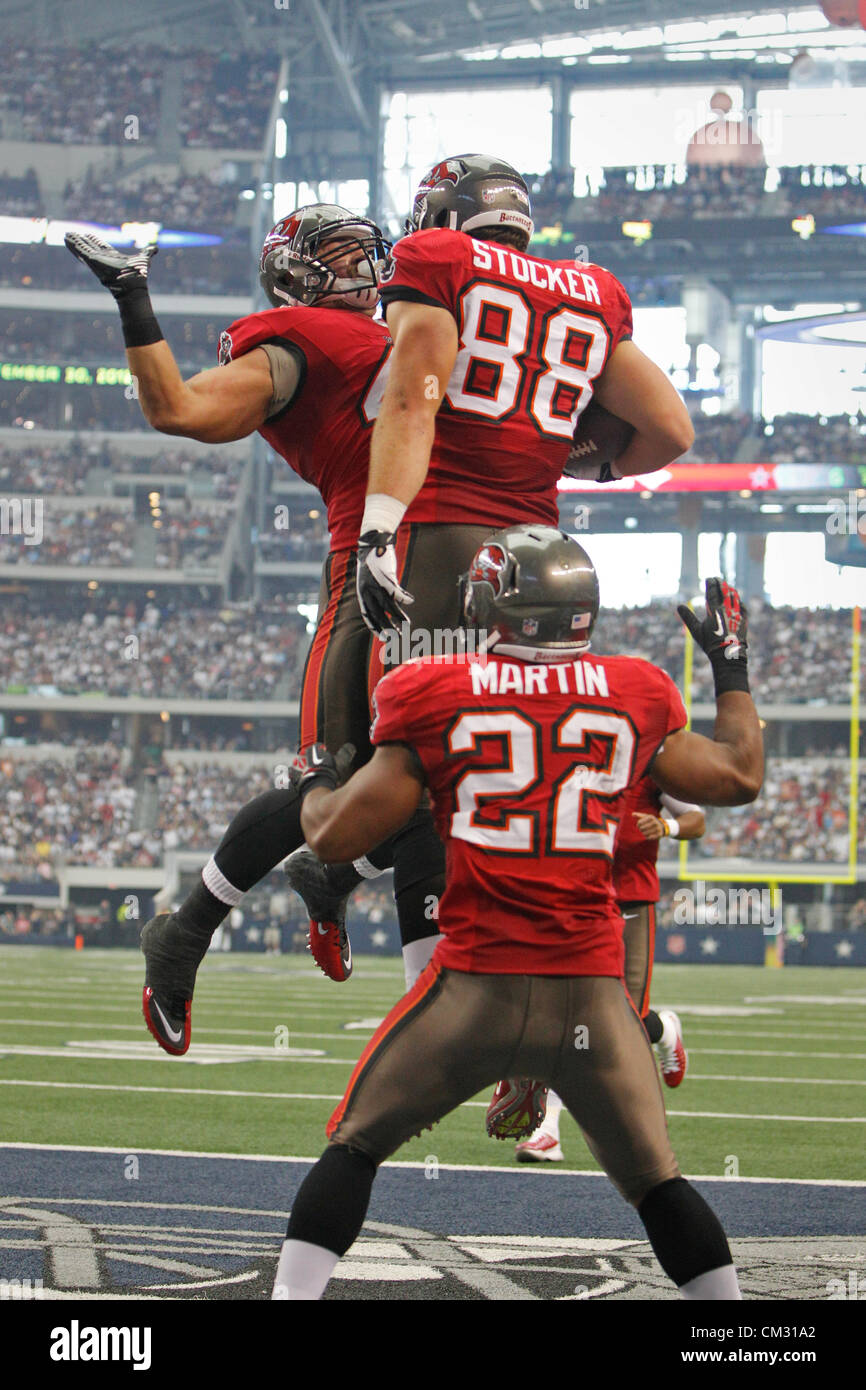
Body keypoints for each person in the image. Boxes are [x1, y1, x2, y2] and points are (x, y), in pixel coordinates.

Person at [271, 529, 762, 1301]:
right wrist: (729, 669)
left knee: (356, 1146)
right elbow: (738, 774)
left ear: (490, 604)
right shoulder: (636, 689)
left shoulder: (433, 687)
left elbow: (338, 835)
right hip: (594, 997)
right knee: (659, 1184)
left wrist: (315, 780)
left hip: (476, 989)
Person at [294, 152, 694, 990]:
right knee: (506, 752)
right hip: (537, 556)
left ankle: (301, 885)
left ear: (442, 212)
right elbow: (667, 432)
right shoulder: (590, 287)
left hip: (439, 531)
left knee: (373, 758)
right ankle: (545, 989)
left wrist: (376, 531)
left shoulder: (437, 259)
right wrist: (553, 454)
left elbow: (415, 397)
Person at [64, 207, 445, 1048]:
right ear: (293, 276)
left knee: (443, 788)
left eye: (367, 253)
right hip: (372, 574)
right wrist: (135, 300)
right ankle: (189, 930)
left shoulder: (424, 327)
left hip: (463, 574)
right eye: (337, 256)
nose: (361, 268)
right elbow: (177, 410)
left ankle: (365, 917)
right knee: (335, 790)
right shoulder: (298, 341)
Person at [513, 783, 706, 1162]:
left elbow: (696, 819)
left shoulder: (649, 756)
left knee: (622, 1025)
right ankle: (547, 1128)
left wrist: (667, 828)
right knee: (563, 1014)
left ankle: (663, 1030)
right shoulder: (572, 750)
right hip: (575, 900)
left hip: (630, 898)